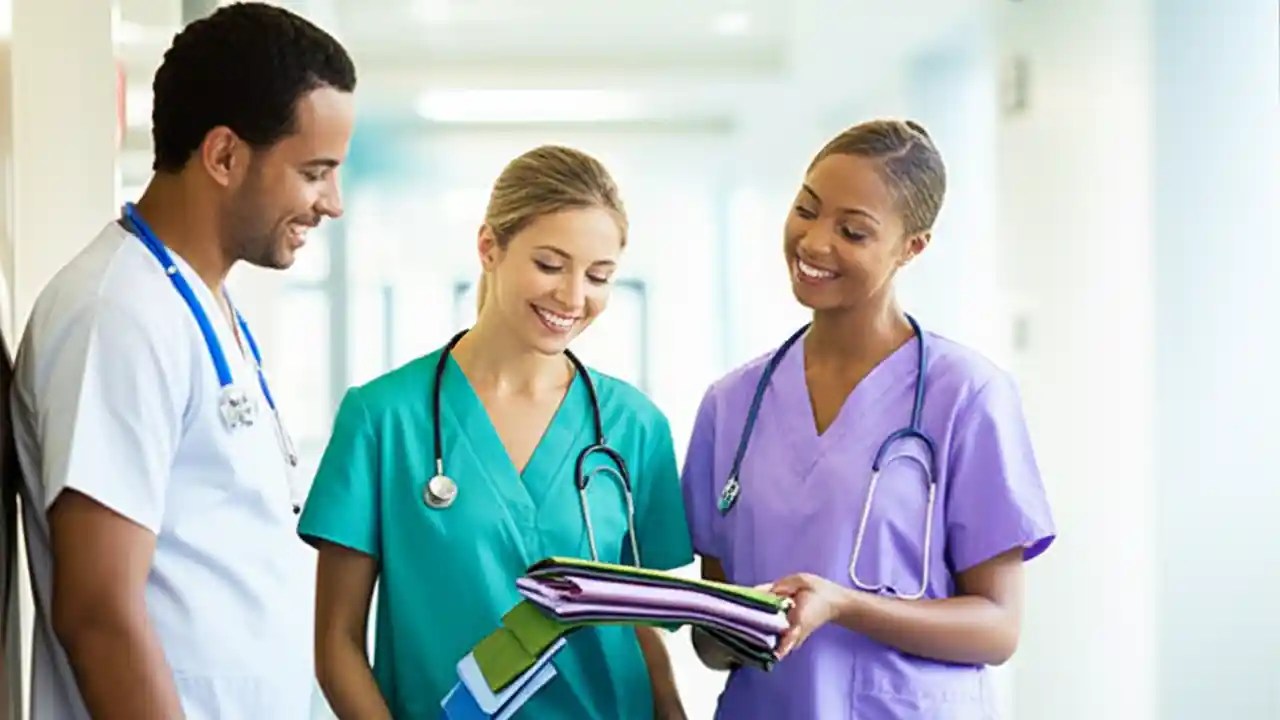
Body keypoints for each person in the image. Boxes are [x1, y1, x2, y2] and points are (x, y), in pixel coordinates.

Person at [10, 4, 356, 718]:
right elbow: (97, 609)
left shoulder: (199, 304)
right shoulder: (118, 314)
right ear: (225, 155)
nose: (333, 203)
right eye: (315, 172)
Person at [299, 145, 693, 719]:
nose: (573, 297)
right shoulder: (384, 418)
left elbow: (639, 628)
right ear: (489, 247)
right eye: (551, 265)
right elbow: (336, 646)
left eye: (599, 275)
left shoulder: (634, 426)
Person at [681, 119, 1057, 718]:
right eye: (806, 209)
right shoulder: (733, 403)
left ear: (913, 247)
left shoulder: (966, 396)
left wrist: (846, 606)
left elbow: (998, 627)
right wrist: (722, 623)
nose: (814, 242)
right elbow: (711, 642)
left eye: (853, 231)